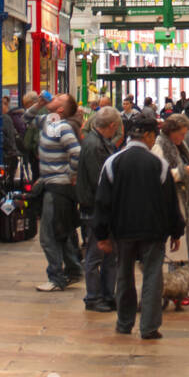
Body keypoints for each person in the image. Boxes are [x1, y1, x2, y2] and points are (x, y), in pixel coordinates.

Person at [93, 111, 185, 340]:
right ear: (147, 135)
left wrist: (102, 234)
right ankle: (149, 327)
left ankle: (124, 323)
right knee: (153, 276)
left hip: (122, 231)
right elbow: (170, 202)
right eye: (153, 136)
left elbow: (103, 201)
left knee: (124, 275)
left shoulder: (113, 162)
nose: (154, 140)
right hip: (154, 231)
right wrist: (176, 231)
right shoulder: (159, 164)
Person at [76, 106, 122, 312]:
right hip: (95, 207)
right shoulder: (95, 146)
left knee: (109, 255)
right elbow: (99, 180)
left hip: (101, 206)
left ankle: (107, 295)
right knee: (95, 255)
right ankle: (93, 297)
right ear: (112, 126)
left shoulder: (99, 143)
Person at [36, 92, 82, 293]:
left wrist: (71, 173)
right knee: (61, 230)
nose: (52, 97)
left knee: (48, 235)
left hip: (58, 187)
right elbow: (27, 119)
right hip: (51, 183)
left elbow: (76, 153)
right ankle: (73, 270)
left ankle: (56, 277)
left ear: (61, 109)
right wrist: (38, 104)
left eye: (57, 98)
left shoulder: (62, 127)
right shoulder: (50, 121)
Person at [152, 113, 189, 300]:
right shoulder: (160, 146)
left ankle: (180, 290)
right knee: (176, 251)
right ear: (171, 131)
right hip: (170, 202)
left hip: (181, 199)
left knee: (181, 250)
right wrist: (184, 172)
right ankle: (175, 290)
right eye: (180, 134)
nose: (182, 138)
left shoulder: (178, 146)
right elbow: (159, 175)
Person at [1, 96, 19, 186]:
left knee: (7, 180)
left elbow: (9, 137)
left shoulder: (5, 118)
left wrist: (11, 150)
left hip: (8, 154)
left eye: (5, 104)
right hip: (11, 154)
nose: (5, 106)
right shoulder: (6, 118)